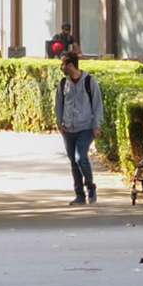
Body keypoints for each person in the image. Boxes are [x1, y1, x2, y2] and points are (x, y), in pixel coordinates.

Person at [55, 50, 103, 204]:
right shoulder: (63, 83)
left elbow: (97, 104)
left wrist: (96, 125)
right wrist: (59, 123)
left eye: (63, 64)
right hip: (68, 129)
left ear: (70, 65)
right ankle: (79, 195)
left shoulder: (90, 82)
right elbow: (59, 104)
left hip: (85, 127)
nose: (61, 67)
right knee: (73, 162)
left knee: (80, 157)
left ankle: (90, 187)